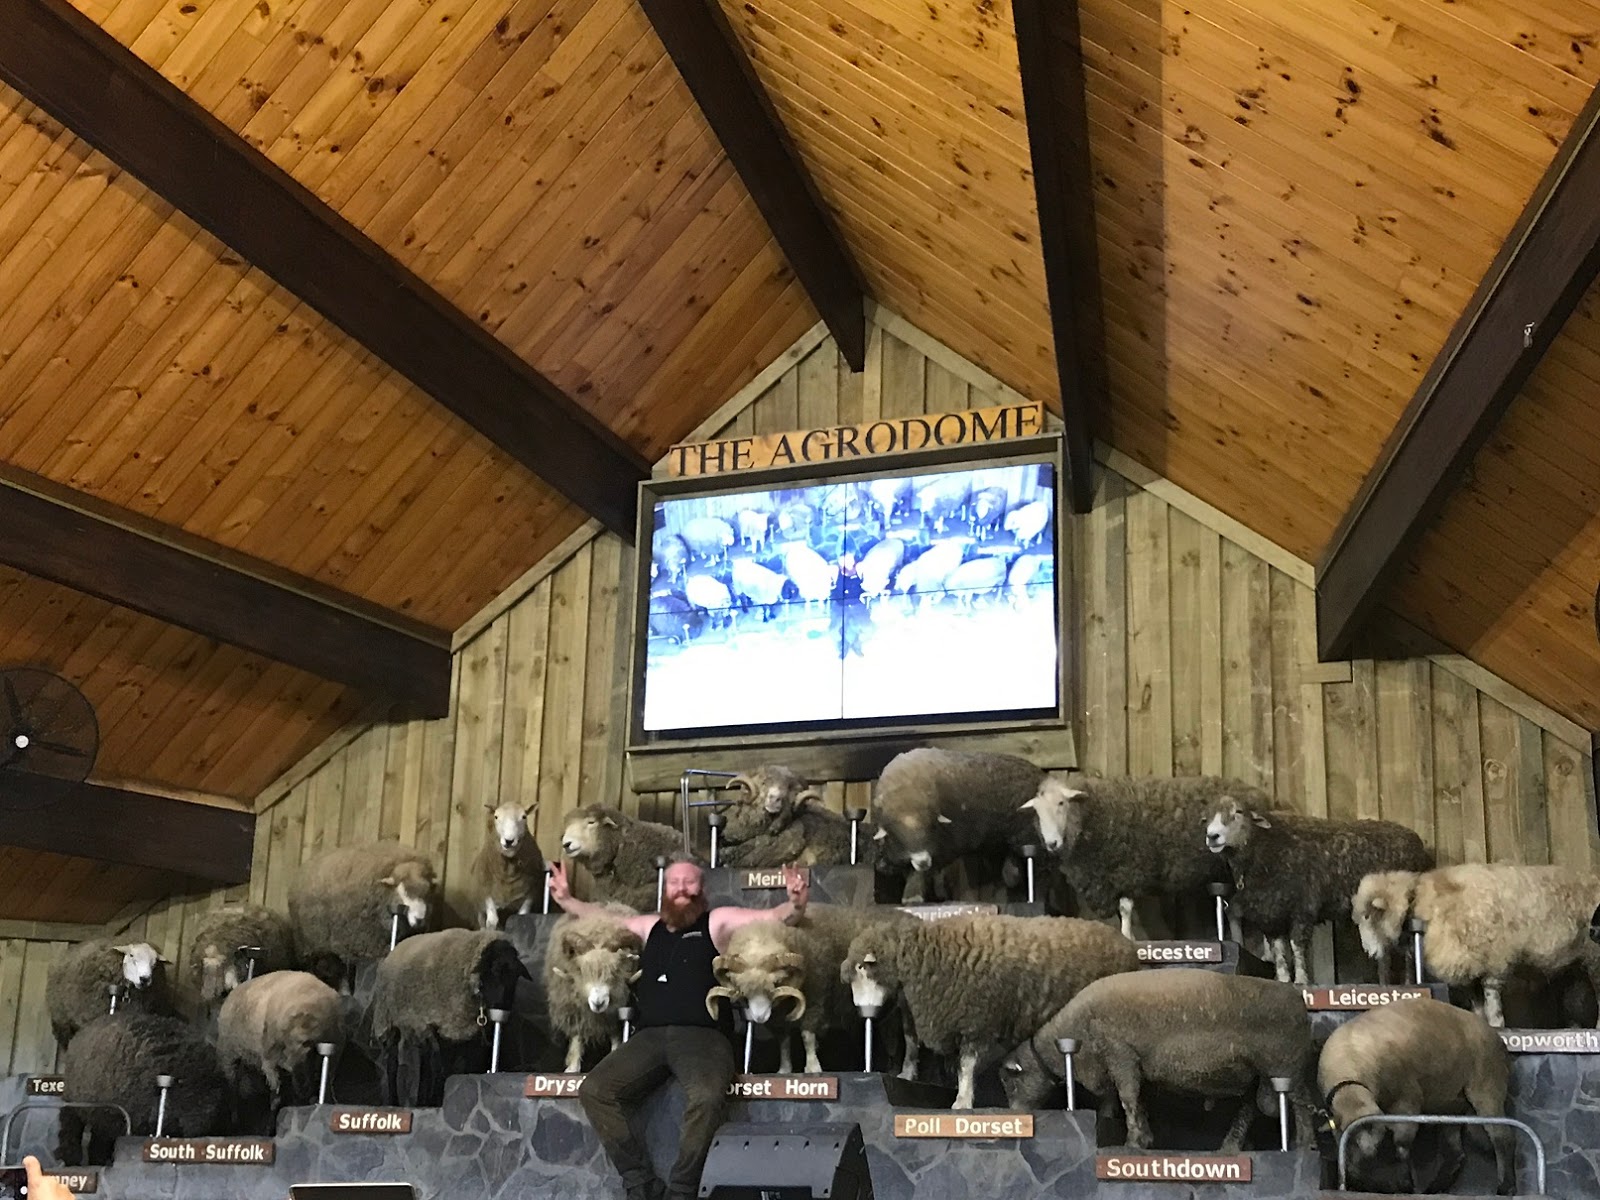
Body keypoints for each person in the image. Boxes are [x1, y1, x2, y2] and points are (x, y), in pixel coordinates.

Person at [548, 856, 810, 1200]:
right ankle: (640, 1183)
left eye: (689, 882)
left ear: (701, 889)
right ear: (665, 888)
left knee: (707, 1096)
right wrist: (567, 900)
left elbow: (773, 918)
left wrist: (795, 902)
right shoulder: (648, 926)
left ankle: (682, 1191)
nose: (682, 888)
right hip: (650, 1036)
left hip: (703, 1035)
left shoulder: (715, 921)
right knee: (594, 1090)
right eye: (675, 882)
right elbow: (604, 919)